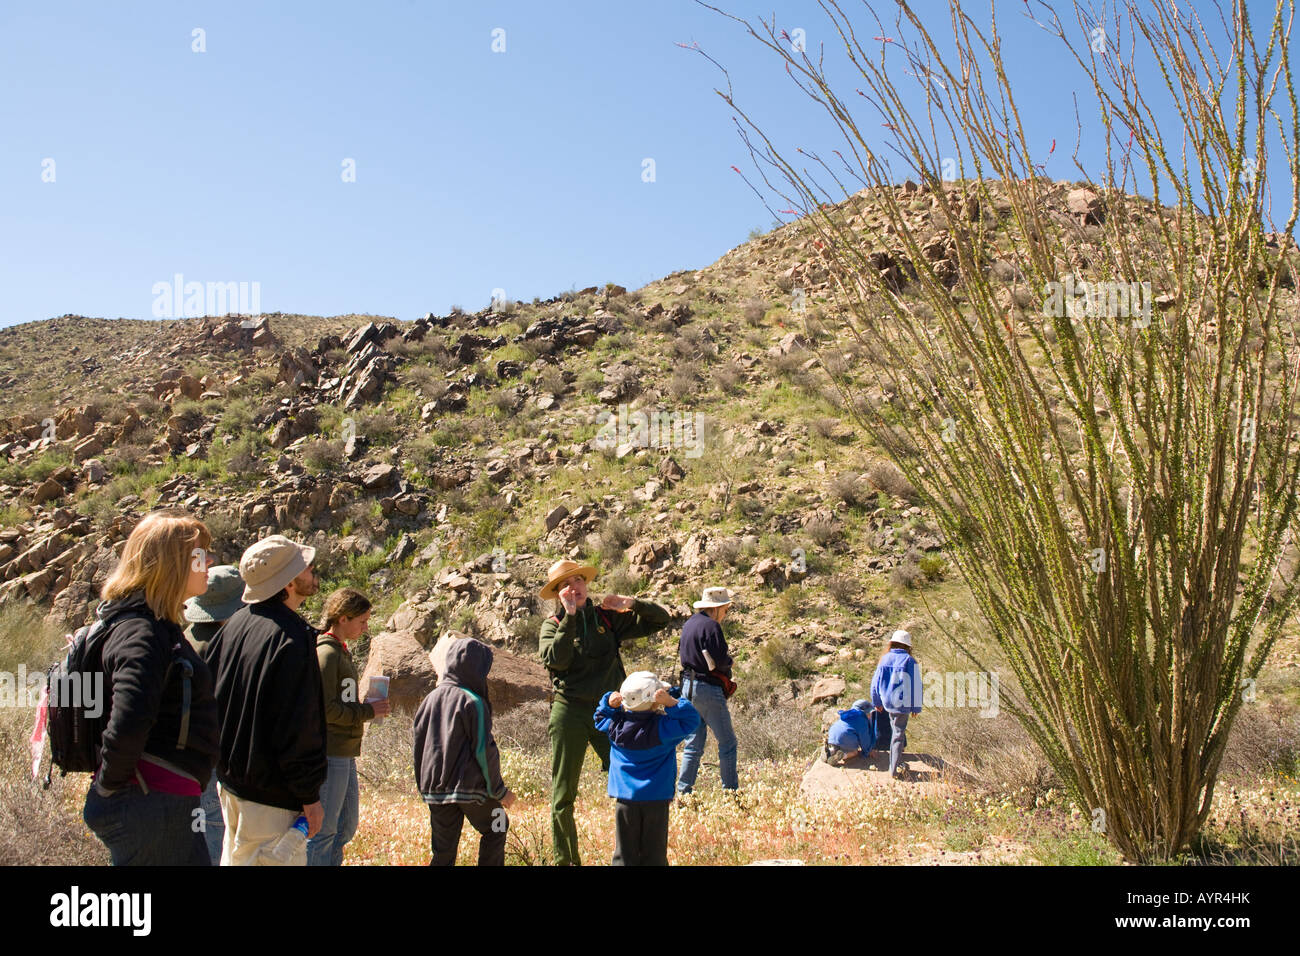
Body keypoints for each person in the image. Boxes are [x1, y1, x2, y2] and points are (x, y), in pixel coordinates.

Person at [81, 509, 220, 866]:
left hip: (163, 801)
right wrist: (109, 787)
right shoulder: (142, 631)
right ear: (174, 562)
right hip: (151, 802)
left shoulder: (157, 626)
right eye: (201, 555)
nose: (210, 561)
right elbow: (129, 718)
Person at [537, 558, 672, 866]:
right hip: (568, 712)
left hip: (610, 715)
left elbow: (661, 620)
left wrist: (633, 602)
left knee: (633, 782)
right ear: (557, 594)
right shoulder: (552, 626)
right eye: (565, 585)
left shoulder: (607, 618)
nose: (574, 588)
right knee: (563, 793)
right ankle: (566, 860)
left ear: (587, 584)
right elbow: (556, 660)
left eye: (578, 581)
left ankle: (633, 857)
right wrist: (570, 618)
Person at [203, 535, 327, 865]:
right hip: (272, 800)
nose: (312, 571)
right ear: (287, 583)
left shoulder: (235, 625)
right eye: (304, 567)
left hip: (232, 787)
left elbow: (209, 699)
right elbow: (297, 726)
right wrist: (309, 795)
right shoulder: (291, 638)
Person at [413, 636, 516, 865]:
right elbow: (483, 750)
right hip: (469, 789)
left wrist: (424, 787)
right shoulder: (473, 702)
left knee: (443, 852)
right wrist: (499, 791)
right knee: (498, 824)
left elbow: (419, 748)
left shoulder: (428, 700)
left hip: (436, 791)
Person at [307, 587, 390, 866]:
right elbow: (326, 709)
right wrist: (367, 710)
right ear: (343, 618)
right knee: (324, 831)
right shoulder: (327, 654)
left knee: (344, 827)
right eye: (362, 621)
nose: (365, 627)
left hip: (345, 751)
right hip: (331, 751)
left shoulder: (340, 652)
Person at [595, 671, 699, 866]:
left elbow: (600, 716)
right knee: (654, 856)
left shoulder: (614, 727)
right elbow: (691, 720)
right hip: (656, 799)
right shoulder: (664, 729)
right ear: (655, 701)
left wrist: (608, 700)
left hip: (625, 800)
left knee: (624, 855)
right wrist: (671, 701)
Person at [182, 563, 246, 866]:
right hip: (206, 749)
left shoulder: (188, 636)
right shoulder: (219, 644)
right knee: (214, 823)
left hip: (184, 749)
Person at [676, 586, 738, 794]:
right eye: (726, 610)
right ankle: (731, 792)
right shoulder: (711, 626)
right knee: (727, 742)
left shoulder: (689, 624)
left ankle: (684, 792)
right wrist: (729, 663)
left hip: (688, 687)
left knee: (693, 743)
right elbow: (720, 660)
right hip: (707, 689)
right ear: (718, 608)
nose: (726, 614)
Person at [870, 629, 923, 778]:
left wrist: (877, 701)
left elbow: (875, 684)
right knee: (898, 733)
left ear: (892, 643)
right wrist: (916, 706)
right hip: (902, 703)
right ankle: (894, 769)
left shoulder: (885, 659)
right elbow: (916, 685)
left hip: (887, 702)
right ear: (907, 646)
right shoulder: (909, 661)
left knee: (895, 730)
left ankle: (896, 761)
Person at [824, 698, 883, 766]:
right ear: (864, 713)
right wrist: (868, 751)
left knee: (838, 746)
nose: (870, 716)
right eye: (869, 713)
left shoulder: (849, 715)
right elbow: (864, 739)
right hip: (845, 736)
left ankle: (830, 751)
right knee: (854, 752)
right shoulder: (862, 721)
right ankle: (842, 756)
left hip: (832, 734)